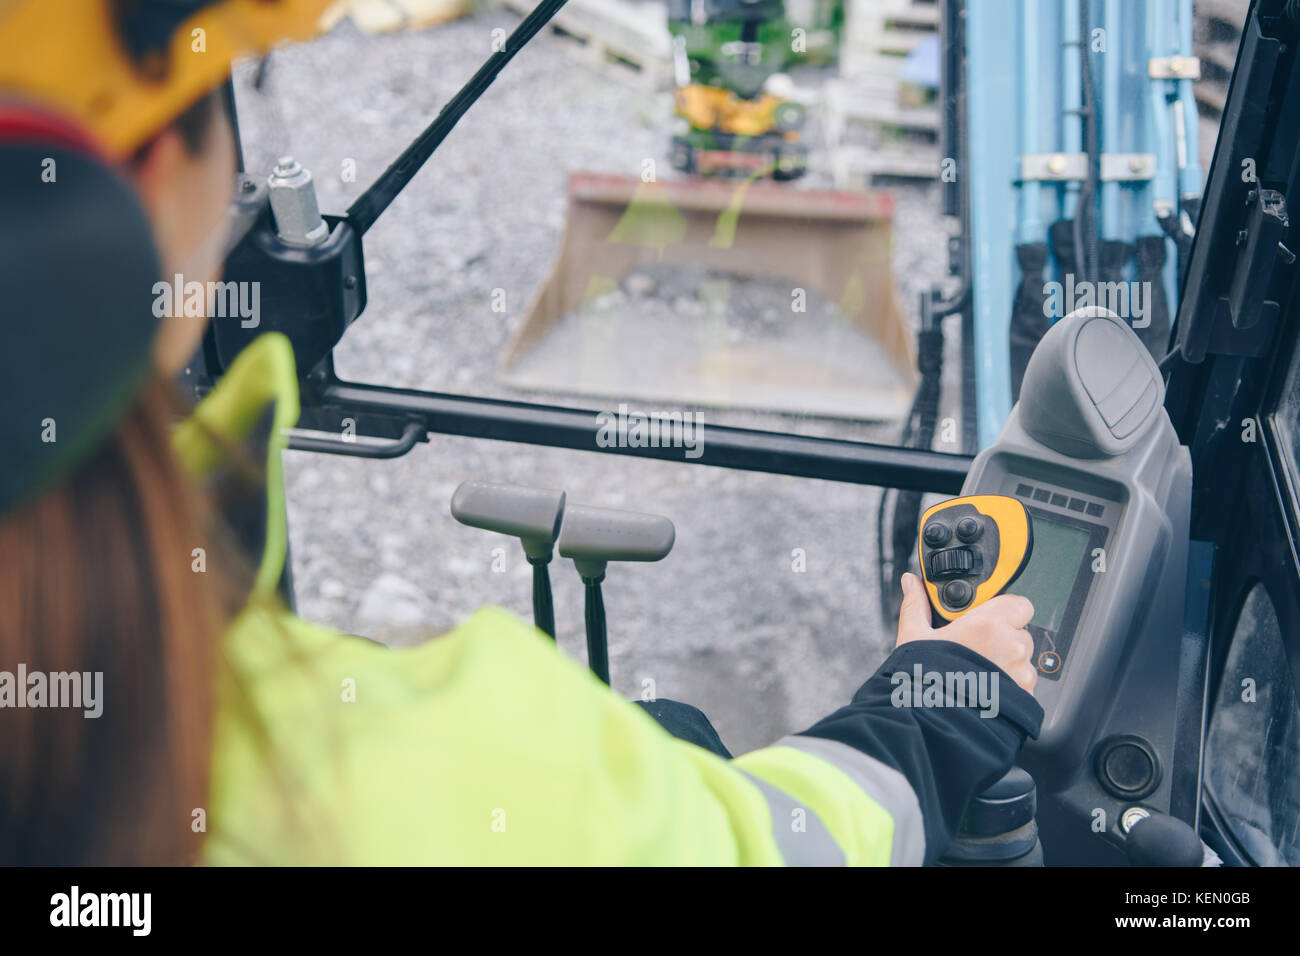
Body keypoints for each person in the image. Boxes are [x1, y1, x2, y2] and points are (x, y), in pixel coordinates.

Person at [0, 0, 1041, 865]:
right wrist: (928, 714)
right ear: (134, 193)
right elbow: (768, 844)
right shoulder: (410, 773)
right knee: (675, 733)